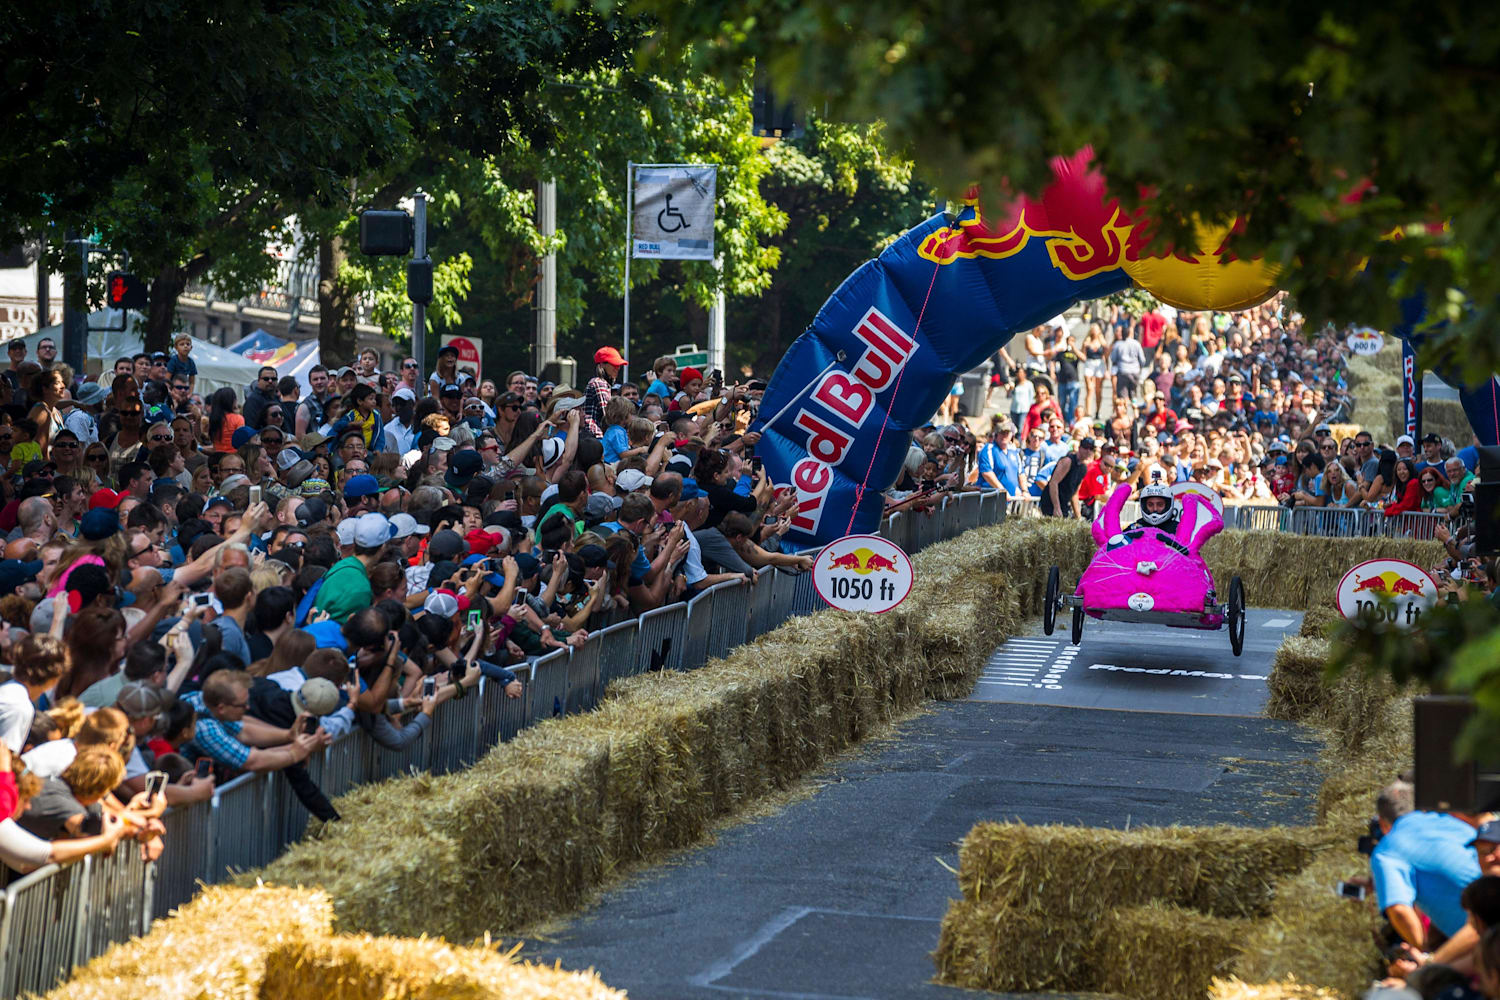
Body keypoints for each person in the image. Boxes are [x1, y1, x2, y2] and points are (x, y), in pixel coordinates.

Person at [1370, 780, 1482, 950]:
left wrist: (1426, 953)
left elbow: (1399, 911)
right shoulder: (1453, 823)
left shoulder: (1386, 851)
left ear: (1382, 823)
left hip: (1483, 935)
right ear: (1422, 807)